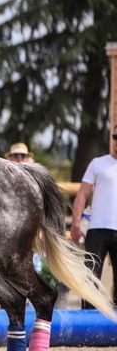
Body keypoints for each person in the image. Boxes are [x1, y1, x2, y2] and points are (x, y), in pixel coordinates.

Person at [70, 124, 117, 307]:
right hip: (97, 229)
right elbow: (82, 194)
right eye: (115, 136)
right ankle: (87, 325)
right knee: (90, 277)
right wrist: (76, 224)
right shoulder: (98, 163)